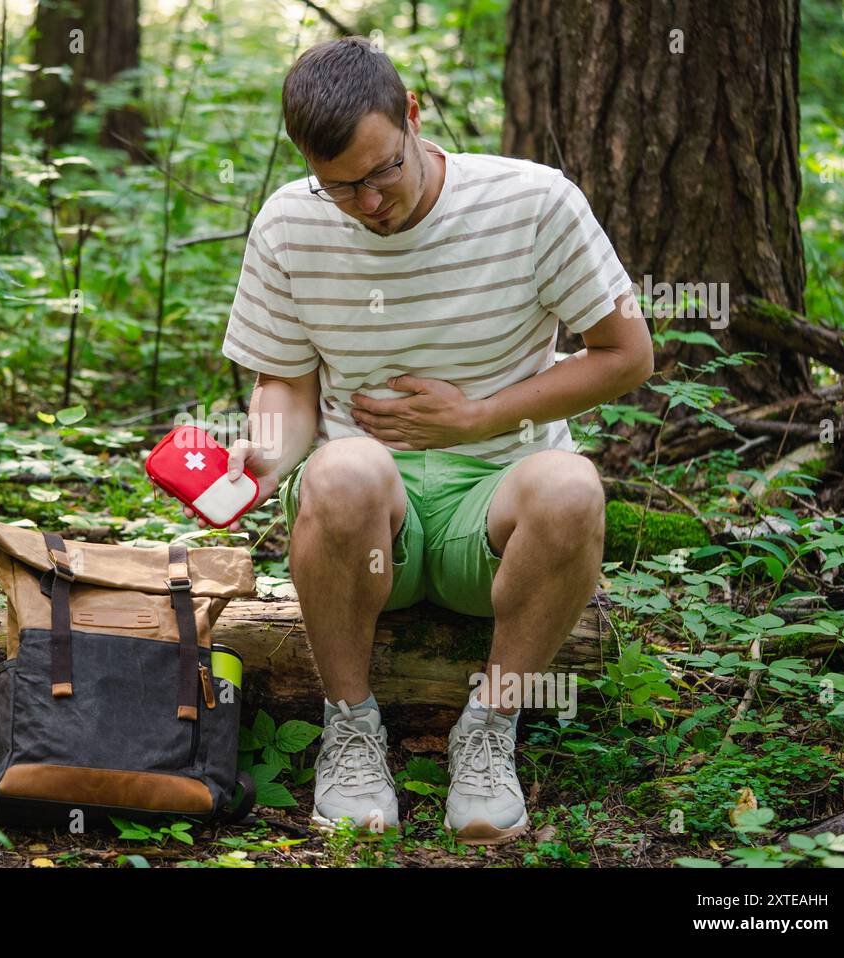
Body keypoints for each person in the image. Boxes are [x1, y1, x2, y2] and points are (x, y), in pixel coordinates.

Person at [156, 36, 653, 844]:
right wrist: (261, 458)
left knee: (570, 485)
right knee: (342, 468)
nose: (370, 201)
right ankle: (351, 731)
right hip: (374, 525)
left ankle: (489, 730)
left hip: (496, 514)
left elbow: (628, 354)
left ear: (413, 114)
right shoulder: (289, 223)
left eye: (384, 169)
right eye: (341, 187)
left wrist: (474, 418)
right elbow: (286, 385)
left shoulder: (532, 202)